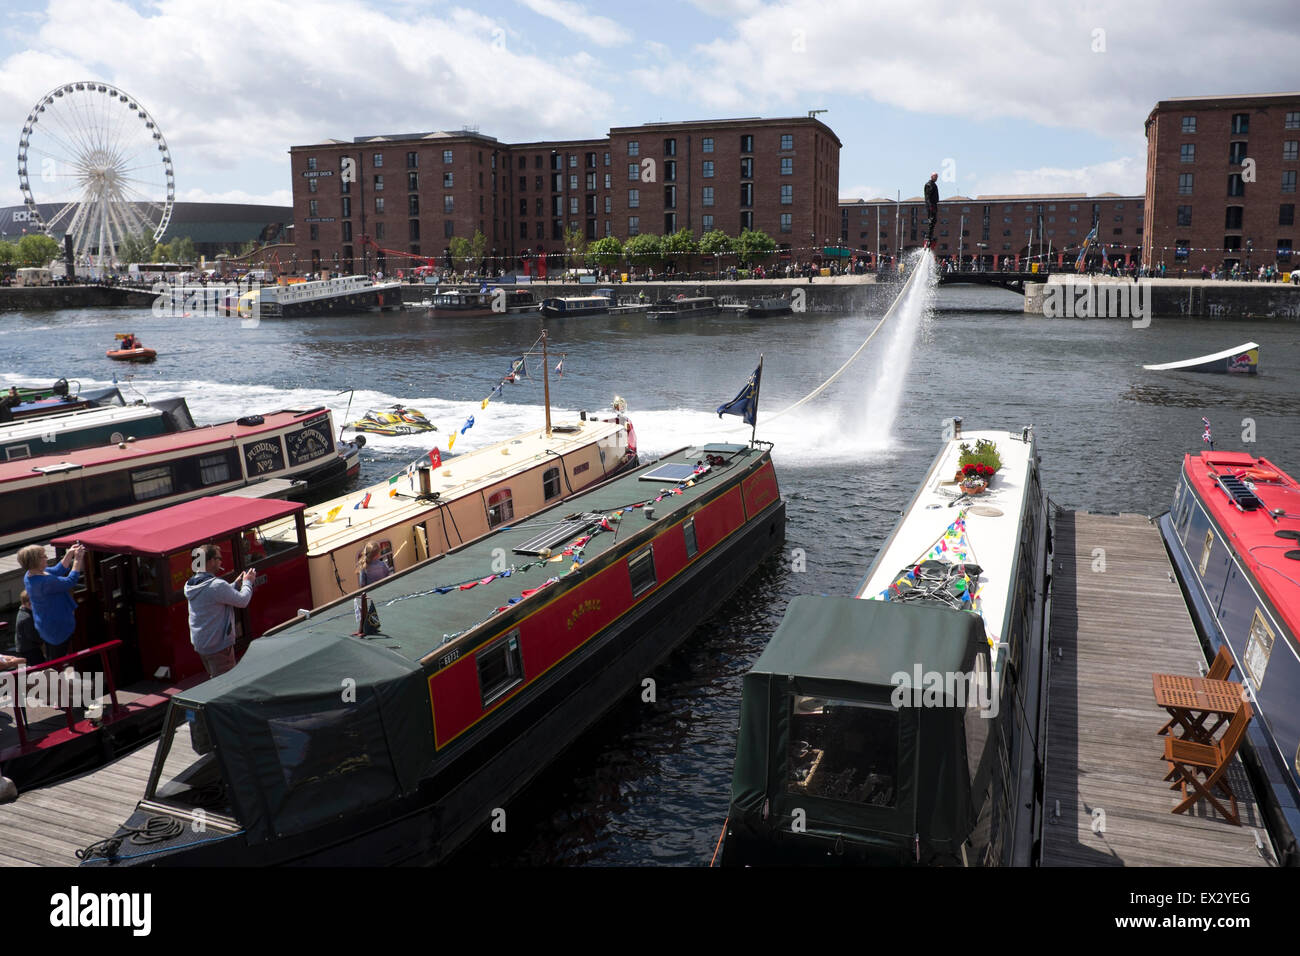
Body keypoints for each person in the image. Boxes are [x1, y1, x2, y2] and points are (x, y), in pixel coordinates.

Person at [185, 544, 255, 678]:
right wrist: (248, 582)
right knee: (227, 683)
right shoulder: (216, 585)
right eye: (219, 558)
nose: (221, 562)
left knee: (216, 679)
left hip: (202, 645)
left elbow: (213, 596)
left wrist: (235, 585)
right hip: (218, 646)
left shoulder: (191, 584)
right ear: (211, 561)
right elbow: (243, 601)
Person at [18, 543, 84, 662]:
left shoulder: (30, 575)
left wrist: (69, 553)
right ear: (36, 561)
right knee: (58, 660)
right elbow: (70, 581)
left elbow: (57, 570)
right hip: (57, 627)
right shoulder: (45, 582)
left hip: (46, 625)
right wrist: (78, 559)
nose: (46, 558)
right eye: (43, 556)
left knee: (53, 656)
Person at [355, 543, 391, 635]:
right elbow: (388, 577)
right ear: (378, 554)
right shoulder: (383, 565)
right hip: (384, 593)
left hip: (370, 597)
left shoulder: (364, 568)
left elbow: (362, 584)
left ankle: (364, 628)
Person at [13, 590, 43, 666]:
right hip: (30, 650)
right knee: (41, 666)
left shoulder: (21, 612)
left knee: (24, 669)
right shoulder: (27, 618)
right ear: (28, 603)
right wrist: (44, 639)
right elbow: (33, 636)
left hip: (22, 649)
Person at [924, 172, 939, 246]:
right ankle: (928, 236)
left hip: (934, 204)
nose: (936, 178)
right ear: (932, 176)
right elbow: (927, 197)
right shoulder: (929, 184)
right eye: (935, 176)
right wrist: (930, 206)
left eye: (937, 177)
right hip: (931, 205)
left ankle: (930, 235)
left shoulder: (934, 184)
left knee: (934, 220)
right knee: (931, 220)